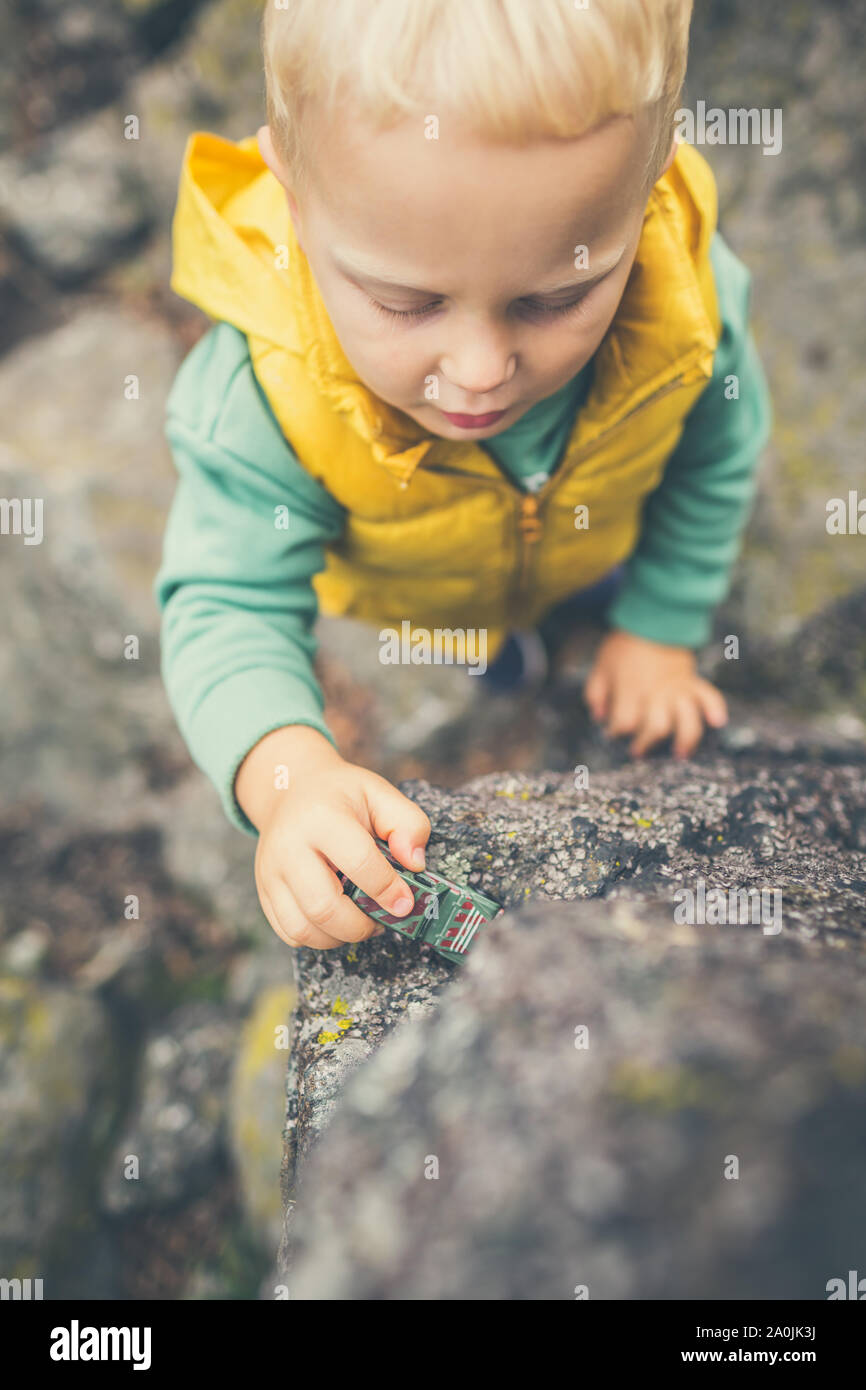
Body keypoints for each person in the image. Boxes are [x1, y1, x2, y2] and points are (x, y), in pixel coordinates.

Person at [155, 0, 772, 951]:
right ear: (293, 193)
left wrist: (660, 626)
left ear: (649, 183)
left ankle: (595, 602)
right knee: (470, 641)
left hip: (594, 527)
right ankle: (498, 649)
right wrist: (291, 778)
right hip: (424, 594)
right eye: (407, 304)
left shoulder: (687, 308)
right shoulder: (259, 403)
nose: (481, 370)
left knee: (600, 577)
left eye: (557, 297)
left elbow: (715, 459)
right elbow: (226, 603)